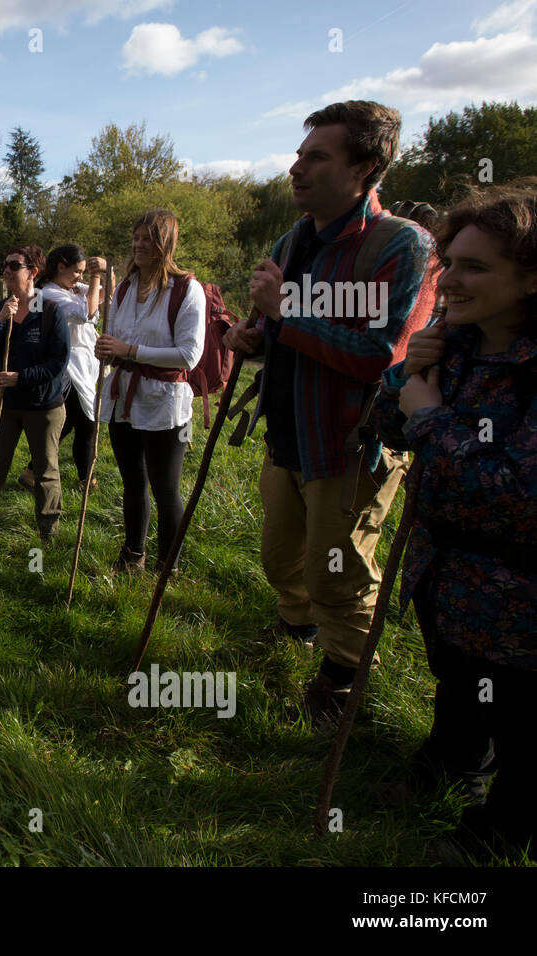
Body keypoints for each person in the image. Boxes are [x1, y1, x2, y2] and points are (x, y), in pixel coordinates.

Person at [223, 100, 438, 727]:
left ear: (365, 166)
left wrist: (285, 317)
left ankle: (339, 685)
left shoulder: (402, 245)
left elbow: (382, 357)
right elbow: (278, 331)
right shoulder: (293, 241)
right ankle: (302, 638)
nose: (297, 167)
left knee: (338, 574)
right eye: (299, 153)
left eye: (317, 156)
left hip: (349, 444)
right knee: (279, 559)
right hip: (288, 434)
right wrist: (254, 336)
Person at [370, 180, 537, 858]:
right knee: (460, 679)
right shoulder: (456, 345)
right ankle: (453, 764)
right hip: (446, 572)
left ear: (530, 277)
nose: (452, 281)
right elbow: (390, 431)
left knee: (524, 718)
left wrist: (428, 415)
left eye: (474, 267)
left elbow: (518, 494)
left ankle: (499, 833)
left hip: (520, 592)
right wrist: (406, 379)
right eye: (449, 264)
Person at [93, 210, 205, 575]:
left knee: (165, 487)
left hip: (163, 402)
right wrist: (107, 348)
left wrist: (130, 351)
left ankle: (166, 565)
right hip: (123, 395)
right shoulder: (124, 287)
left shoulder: (187, 289)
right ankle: (132, 556)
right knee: (132, 481)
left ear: (165, 243)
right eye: (136, 237)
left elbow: (189, 354)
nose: (138, 245)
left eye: (147, 239)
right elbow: (118, 338)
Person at [0, 245, 70, 545]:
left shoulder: (49, 312)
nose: (6, 270)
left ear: (32, 272)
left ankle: (48, 535)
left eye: (14, 265)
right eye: (4, 265)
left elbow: (58, 363)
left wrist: (22, 378)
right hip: (4, 404)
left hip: (42, 405)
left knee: (45, 470)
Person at [14, 244, 106, 492]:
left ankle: (32, 472)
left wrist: (103, 275)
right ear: (61, 267)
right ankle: (86, 480)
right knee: (85, 423)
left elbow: (104, 294)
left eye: (85, 272)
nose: (81, 277)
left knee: (69, 424)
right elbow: (86, 313)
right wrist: (97, 277)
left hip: (84, 367)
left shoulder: (72, 288)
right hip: (69, 368)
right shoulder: (49, 294)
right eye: (77, 271)